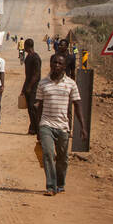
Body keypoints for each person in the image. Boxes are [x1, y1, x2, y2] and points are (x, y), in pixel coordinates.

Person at [35, 53, 88, 196]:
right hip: (46, 124)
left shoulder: (71, 84)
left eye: (59, 63)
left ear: (64, 67)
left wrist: (83, 127)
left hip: (63, 126)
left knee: (62, 158)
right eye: (54, 62)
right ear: (50, 64)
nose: (56, 65)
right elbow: (39, 106)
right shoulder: (43, 83)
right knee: (48, 153)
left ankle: (60, 183)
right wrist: (37, 126)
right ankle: (51, 186)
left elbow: (77, 105)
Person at [21, 38, 42, 135]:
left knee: (33, 108)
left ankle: (37, 128)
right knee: (29, 108)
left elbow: (36, 74)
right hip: (28, 85)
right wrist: (24, 88)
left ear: (26, 46)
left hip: (34, 87)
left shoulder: (35, 57)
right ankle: (33, 127)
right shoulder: (28, 57)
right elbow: (27, 75)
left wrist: (29, 86)